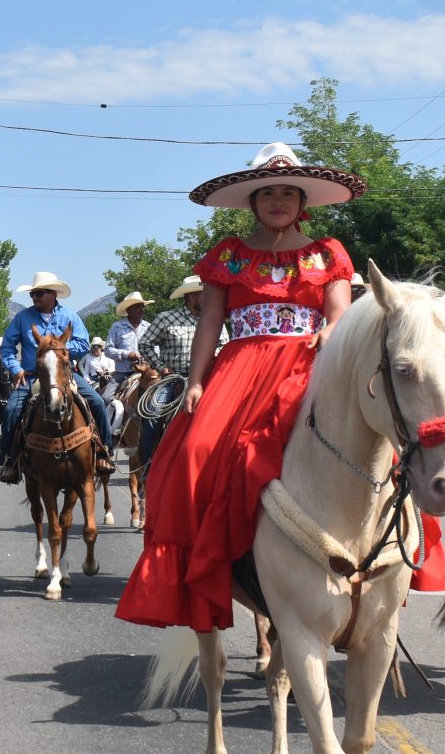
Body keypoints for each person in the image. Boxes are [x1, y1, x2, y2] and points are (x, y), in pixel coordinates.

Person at [117, 142, 361, 632]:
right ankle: (203, 569)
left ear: (302, 201)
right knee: (194, 451)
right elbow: (210, 320)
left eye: (287, 193)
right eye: (266, 192)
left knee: (374, 449)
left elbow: (340, 315)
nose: (277, 200)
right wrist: (197, 380)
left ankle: (388, 554)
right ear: (252, 201)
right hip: (240, 366)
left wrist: (328, 334)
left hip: (308, 364)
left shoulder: (326, 253)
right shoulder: (228, 256)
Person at [0, 271, 116, 485]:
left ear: (53, 294)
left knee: (97, 402)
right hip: (32, 375)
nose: (35, 298)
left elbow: (83, 345)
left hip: (64, 375)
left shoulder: (70, 317)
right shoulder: (22, 318)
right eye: (33, 294)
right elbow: (7, 348)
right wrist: (16, 369)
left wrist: (57, 350)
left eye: (39, 294)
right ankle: (9, 460)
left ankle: (103, 452)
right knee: (11, 410)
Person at [132, 275, 207, 467]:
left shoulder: (213, 318)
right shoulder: (166, 318)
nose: (209, 297)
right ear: (192, 297)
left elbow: (223, 345)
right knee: (153, 413)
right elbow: (145, 343)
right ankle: (147, 464)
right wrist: (160, 366)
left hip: (206, 379)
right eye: (204, 294)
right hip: (175, 378)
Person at [105, 293, 150, 389]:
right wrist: (127, 354)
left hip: (146, 371)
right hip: (123, 373)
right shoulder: (117, 327)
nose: (141, 310)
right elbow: (108, 350)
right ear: (129, 309)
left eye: (142, 307)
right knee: (106, 397)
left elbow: (156, 349)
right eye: (138, 307)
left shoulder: (148, 327)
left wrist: (147, 357)